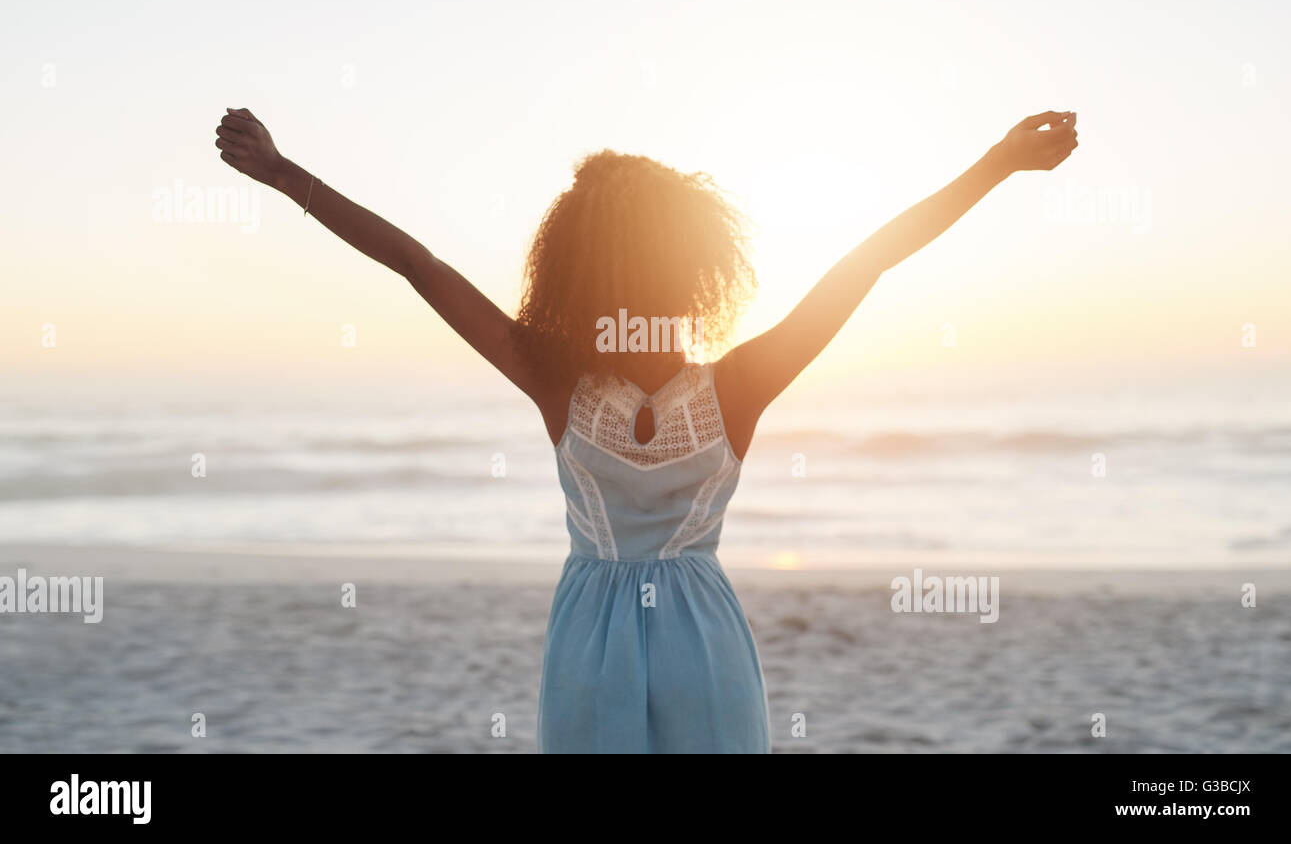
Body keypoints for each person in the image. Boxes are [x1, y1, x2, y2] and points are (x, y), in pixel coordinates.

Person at [215, 106, 1078, 752]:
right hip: (704, 642)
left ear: (574, 272)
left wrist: (289, 175)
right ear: (693, 272)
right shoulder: (739, 386)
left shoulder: (552, 377)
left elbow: (416, 265)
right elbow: (868, 262)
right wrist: (997, 165)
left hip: (588, 646)